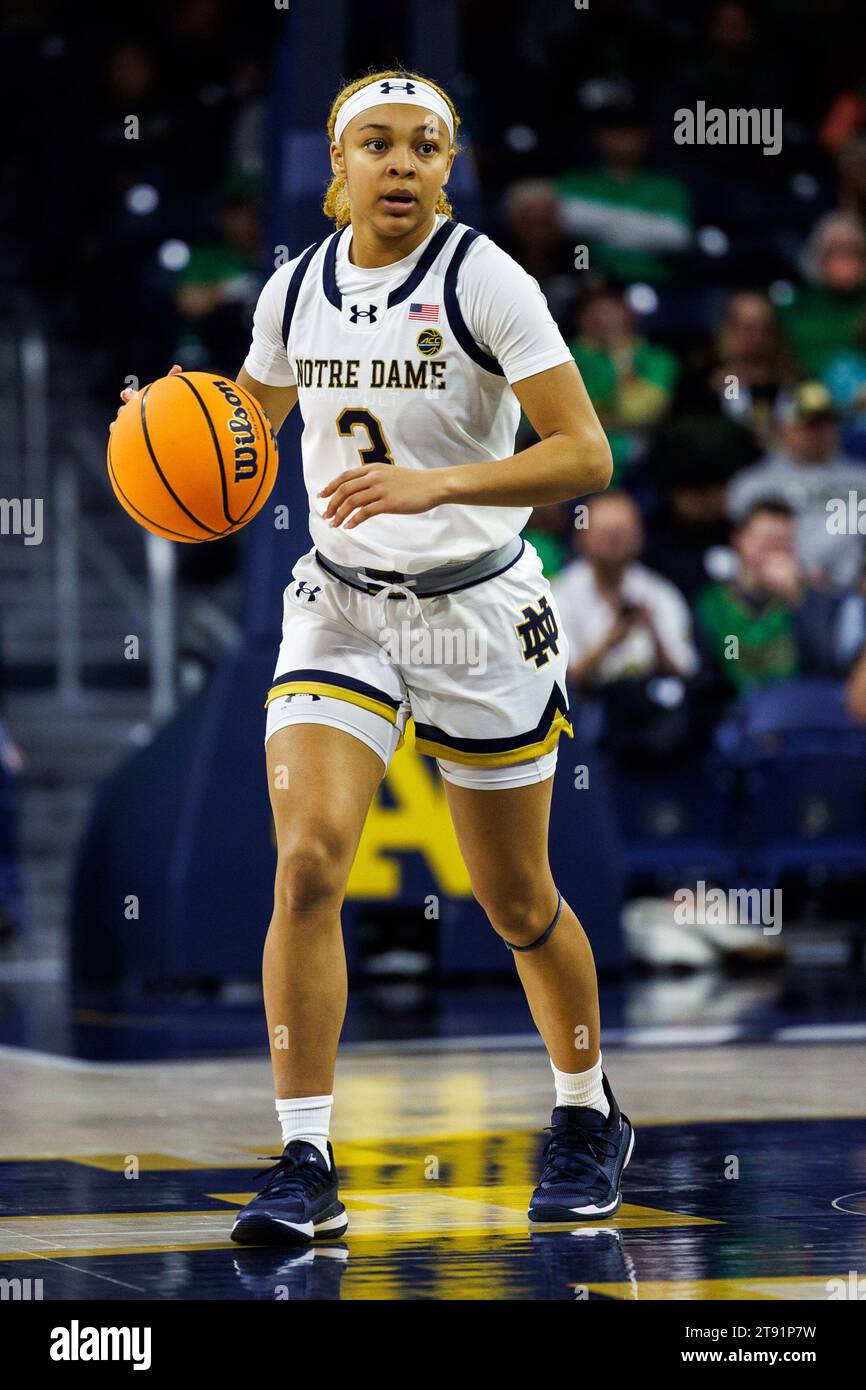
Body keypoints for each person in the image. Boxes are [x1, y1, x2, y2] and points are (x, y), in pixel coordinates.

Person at [116, 69, 632, 1241]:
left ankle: (582, 1107)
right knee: (305, 865)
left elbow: (585, 455)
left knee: (512, 898)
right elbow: (237, 443)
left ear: (447, 168)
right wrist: (166, 428)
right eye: (377, 146)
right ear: (334, 171)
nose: (400, 166)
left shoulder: (482, 277)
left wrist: (437, 480)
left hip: (478, 609)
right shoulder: (293, 290)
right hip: (340, 607)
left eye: (424, 147)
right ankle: (304, 1156)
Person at [694, 500, 859, 696]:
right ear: (740, 539)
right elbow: (729, 666)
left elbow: (827, 668)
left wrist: (797, 599)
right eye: (767, 541)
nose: (775, 551)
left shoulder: (815, 599)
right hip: (739, 714)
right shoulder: (715, 603)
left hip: (806, 707)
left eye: (784, 542)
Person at [727, 381, 866, 589]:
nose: (820, 432)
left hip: (853, 592)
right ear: (783, 426)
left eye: (828, 422)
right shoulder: (751, 485)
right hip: (780, 592)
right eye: (809, 424)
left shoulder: (861, 478)